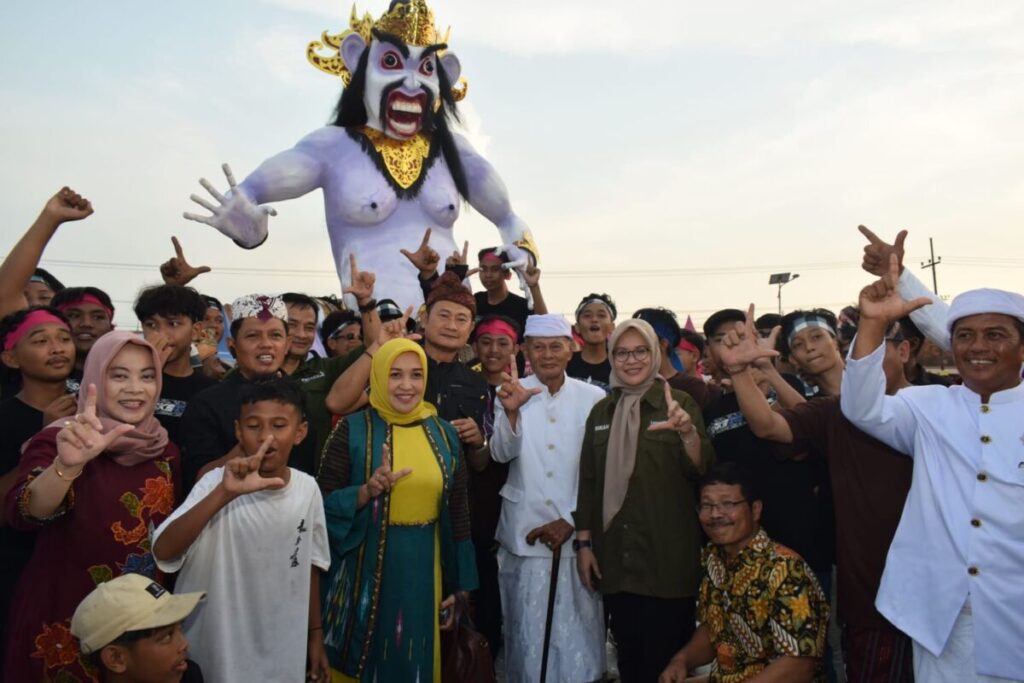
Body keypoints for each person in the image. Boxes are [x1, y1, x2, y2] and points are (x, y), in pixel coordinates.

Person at [841, 255, 1024, 682]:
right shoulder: (929, 406)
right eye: (964, 336)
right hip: (943, 619)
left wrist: (904, 280)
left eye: (995, 335)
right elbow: (860, 408)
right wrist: (871, 324)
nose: (978, 347)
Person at [717, 305, 915, 681]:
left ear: (904, 351)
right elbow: (768, 425)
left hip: (950, 594)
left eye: (873, 348)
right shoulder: (833, 412)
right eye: (860, 351)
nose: (865, 361)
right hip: (872, 593)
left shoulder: (942, 403)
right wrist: (742, 371)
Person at [3, 331, 180, 682]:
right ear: (95, 378)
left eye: (147, 376)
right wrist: (67, 467)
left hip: (138, 622)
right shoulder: (64, 438)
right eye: (119, 375)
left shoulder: (164, 447)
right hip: (65, 614)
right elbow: (27, 511)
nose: (135, 388)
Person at [317, 338, 478, 681]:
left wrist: (460, 586)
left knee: (412, 658)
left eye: (416, 375)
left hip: (424, 571)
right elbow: (320, 506)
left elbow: (459, 512)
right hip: (362, 566)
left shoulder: (446, 434)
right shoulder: (352, 430)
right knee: (362, 657)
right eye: (395, 375)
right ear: (376, 377)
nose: (407, 385)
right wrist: (365, 492)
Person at [153, 378, 330, 683]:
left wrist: (314, 636)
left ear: (300, 432)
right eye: (253, 426)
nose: (266, 438)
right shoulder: (215, 482)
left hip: (279, 645)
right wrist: (225, 493)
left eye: (279, 425)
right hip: (217, 647)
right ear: (237, 431)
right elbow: (163, 551)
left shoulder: (308, 488)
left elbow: (309, 563)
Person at [574, 318, 714, 683]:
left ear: (655, 353)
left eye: (640, 351)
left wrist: (686, 432)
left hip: (667, 564)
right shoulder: (602, 412)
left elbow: (700, 468)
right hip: (616, 561)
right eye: (621, 352)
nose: (631, 360)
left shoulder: (678, 403)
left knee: (669, 665)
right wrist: (584, 545)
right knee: (630, 662)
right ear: (611, 356)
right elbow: (589, 482)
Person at [490, 314, 606, 682]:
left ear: (571, 349)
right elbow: (500, 454)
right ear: (525, 351)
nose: (548, 354)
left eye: (556, 346)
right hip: (523, 532)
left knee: (578, 638)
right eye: (538, 347)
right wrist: (511, 413)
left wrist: (572, 522)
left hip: (579, 537)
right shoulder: (511, 391)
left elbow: (601, 470)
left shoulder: (594, 397)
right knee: (526, 636)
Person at [659, 463, 830, 683]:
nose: (716, 514)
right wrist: (681, 661)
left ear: (755, 509)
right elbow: (714, 630)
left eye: (728, 504)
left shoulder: (785, 569)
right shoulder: (714, 559)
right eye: (707, 505)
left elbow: (799, 664)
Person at [700, 308, 831, 587]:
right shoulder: (710, 407)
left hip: (798, 539)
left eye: (737, 336)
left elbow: (813, 424)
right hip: (738, 545)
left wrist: (766, 374)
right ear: (709, 348)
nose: (729, 343)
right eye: (719, 339)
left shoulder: (784, 386)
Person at [0, 306, 77, 668]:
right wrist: (42, 441)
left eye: (64, 338)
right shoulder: (5, 418)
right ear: (11, 357)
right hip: (17, 572)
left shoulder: (93, 410)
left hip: (75, 571)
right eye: (41, 340)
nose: (57, 348)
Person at [466, 314, 521, 657]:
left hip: (513, 495)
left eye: (503, 342)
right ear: (474, 346)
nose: (494, 350)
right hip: (472, 498)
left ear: (516, 347)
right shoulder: (463, 385)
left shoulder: (530, 387)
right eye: (486, 341)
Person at [70, 574, 206, 683]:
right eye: (167, 636)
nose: (184, 644)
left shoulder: (189, 676)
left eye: (180, 628)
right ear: (116, 658)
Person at [134, 285, 217, 447]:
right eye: (151, 325)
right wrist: (148, 372)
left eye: (173, 324)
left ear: (195, 330)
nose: (161, 334)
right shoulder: (128, 385)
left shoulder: (211, 392)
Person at [0, 186, 91, 319]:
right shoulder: (10, 335)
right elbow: (5, 293)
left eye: (44, 297)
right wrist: (50, 218)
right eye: (23, 296)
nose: (35, 304)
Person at [52, 286, 117, 384]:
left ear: (111, 328)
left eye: (98, 317)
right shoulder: (34, 373)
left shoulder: (124, 372)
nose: (86, 324)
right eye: (74, 316)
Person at [566, 293, 617, 388]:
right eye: (587, 316)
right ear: (577, 327)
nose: (594, 319)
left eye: (601, 315)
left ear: (612, 327)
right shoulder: (565, 364)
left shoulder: (619, 366)